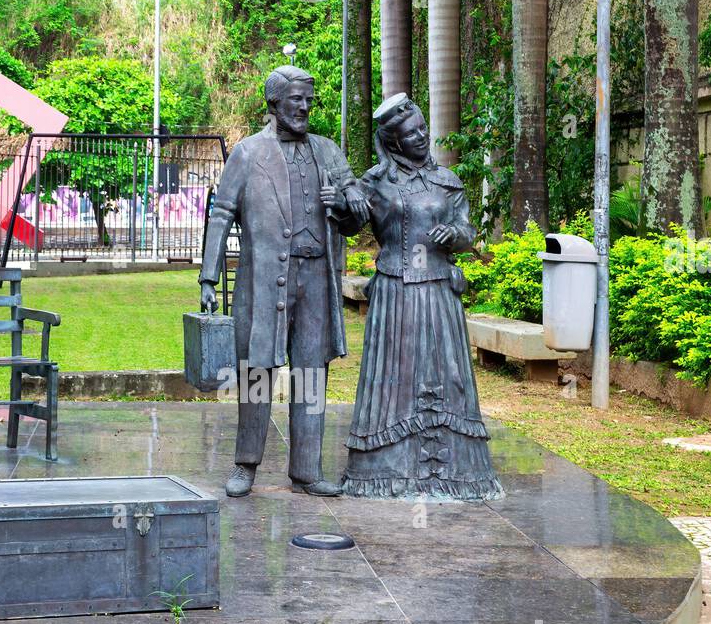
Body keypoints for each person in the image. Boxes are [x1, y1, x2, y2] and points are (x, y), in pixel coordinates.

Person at [198, 65, 369, 498]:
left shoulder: (328, 152)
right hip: (263, 280)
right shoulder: (248, 153)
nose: (305, 107)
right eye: (297, 100)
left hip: (315, 277)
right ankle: (246, 464)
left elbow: (359, 212)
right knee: (257, 370)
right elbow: (221, 215)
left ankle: (306, 470)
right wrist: (208, 279)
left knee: (311, 372)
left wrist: (345, 202)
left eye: (309, 100)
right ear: (274, 104)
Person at [340, 93, 503, 501]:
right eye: (411, 133)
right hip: (394, 294)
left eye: (423, 129)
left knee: (445, 373)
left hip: (438, 292)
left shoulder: (447, 183)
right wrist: (342, 204)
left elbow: (468, 234)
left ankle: (456, 473)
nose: (422, 137)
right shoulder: (374, 183)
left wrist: (457, 235)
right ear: (393, 141)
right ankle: (383, 472)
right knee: (393, 379)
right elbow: (348, 221)